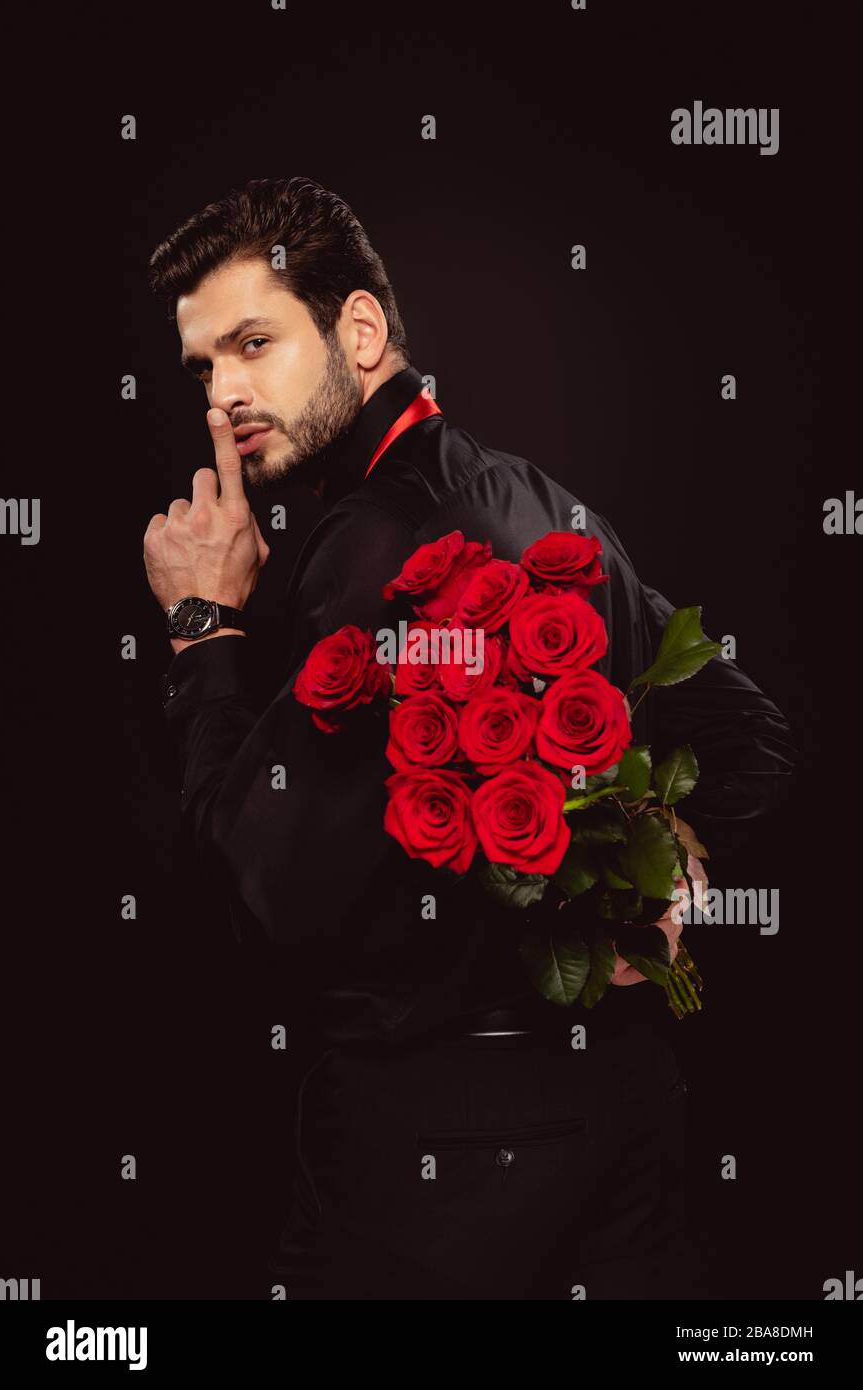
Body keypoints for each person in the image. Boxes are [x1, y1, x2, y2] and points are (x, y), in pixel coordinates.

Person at [142, 176, 796, 1299]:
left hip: (430, 1153)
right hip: (621, 1114)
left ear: (360, 329)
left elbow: (268, 896)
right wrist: (659, 857)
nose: (225, 397)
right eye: (205, 367)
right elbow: (752, 739)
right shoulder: (538, 502)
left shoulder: (371, 539)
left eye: (253, 343)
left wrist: (205, 627)